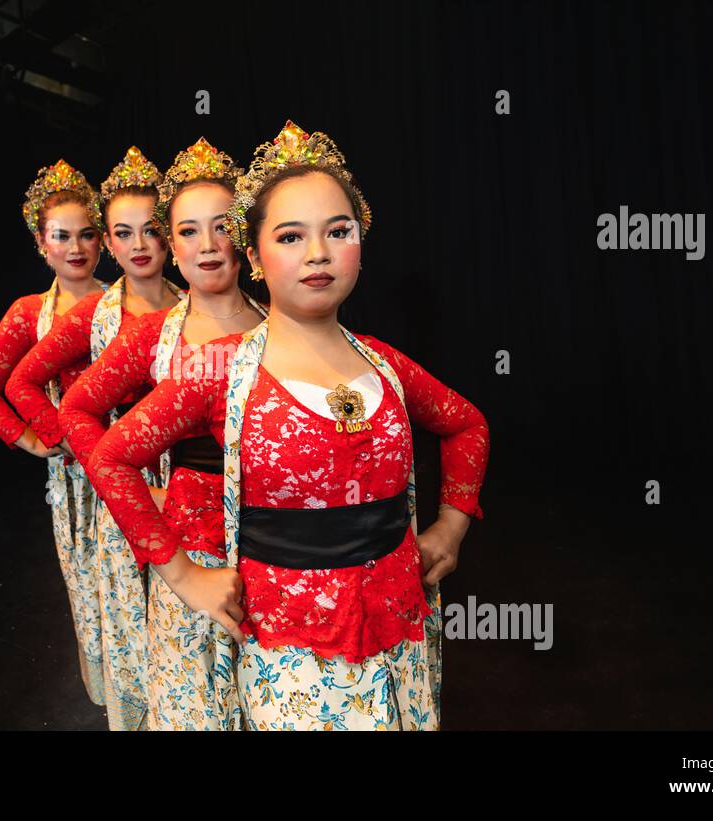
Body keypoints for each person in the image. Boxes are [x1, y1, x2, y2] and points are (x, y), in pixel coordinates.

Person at [89, 121, 490, 730]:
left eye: (338, 231)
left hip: (401, 634)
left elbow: (468, 426)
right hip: (291, 655)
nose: (318, 253)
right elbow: (110, 456)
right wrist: (184, 575)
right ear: (253, 256)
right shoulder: (222, 372)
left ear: (361, 242)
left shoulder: (384, 363)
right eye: (290, 236)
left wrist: (452, 526)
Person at [61, 138, 265, 730]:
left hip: (274, 548)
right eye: (188, 231)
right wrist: (150, 498)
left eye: (222, 226)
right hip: (192, 548)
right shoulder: (153, 336)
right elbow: (76, 411)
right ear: (172, 246)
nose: (207, 245)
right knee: (194, 698)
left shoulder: (287, 324)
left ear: (247, 237)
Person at [6, 146, 184, 730]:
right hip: (107, 477)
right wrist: (53, 442)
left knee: (184, 608)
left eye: (153, 231)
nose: (138, 246)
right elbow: (13, 383)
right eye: (123, 233)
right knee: (117, 603)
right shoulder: (84, 315)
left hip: (185, 478)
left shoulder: (196, 306)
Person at [0, 158, 109, 705]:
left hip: (136, 465)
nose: (76, 248)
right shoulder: (29, 313)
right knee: (89, 587)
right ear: (41, 244)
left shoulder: (129, 301)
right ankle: (106, 702)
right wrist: (35, 437)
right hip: (75, 483)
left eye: (87, 234)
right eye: (62, 237)